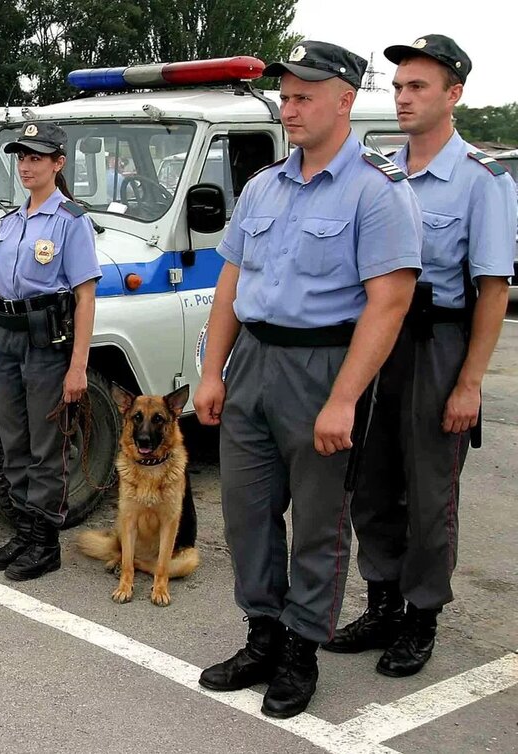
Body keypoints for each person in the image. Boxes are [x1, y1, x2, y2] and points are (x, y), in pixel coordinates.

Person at [192, 41, 423, 719]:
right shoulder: (264, 184)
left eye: (303, 97)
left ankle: (300, 650)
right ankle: (261, 635)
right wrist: (211, 371)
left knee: (319, 524)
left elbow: (391, 301)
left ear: (345, 100)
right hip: (253, 362)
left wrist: (345, 398)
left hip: (326, 365)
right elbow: (231, 279)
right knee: (246, 515)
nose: (288, 109)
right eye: (285, 96)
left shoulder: (378, 190)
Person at [323, 36, 516, 677]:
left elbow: (492, 290)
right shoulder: (380, 171)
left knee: (431, 495)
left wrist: (470, 384)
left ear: (453, 95)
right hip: (376, 345)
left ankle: (420, 615)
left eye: (418, 87)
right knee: (370, 483)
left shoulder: (482, 180)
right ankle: (380, 605)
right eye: (399, 86)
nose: (403, 97)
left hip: (438, 347)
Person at [0, 122, 101, 581]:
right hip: (5, 337)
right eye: (22, 158)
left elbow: (85, 296)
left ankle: (45, 543)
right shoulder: (11, 221)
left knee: (47, 447)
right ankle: (24, 533)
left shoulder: (71, 222)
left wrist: (79, 367)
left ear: (57, 164)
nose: (26, 166)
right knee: (14, 441)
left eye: (37, 158)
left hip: (46, 344)